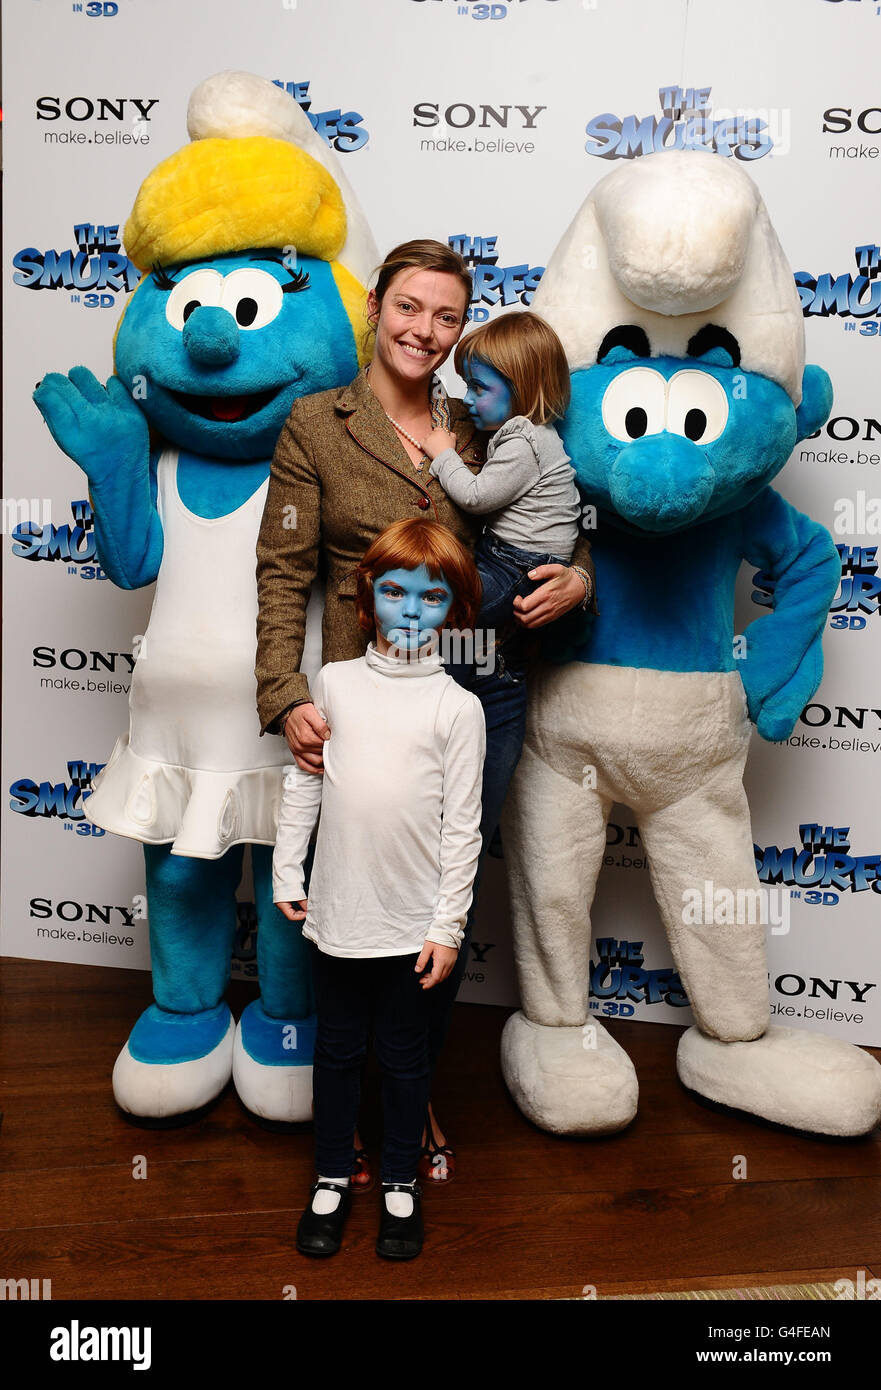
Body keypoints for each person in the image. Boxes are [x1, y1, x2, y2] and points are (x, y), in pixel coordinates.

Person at [256, 239, 598, 1183]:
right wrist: (284, 694)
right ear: (375, 306)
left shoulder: (483, 414)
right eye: (410, 308)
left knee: (440, 893)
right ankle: (352, 1101)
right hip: (360, 695)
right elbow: (283, 570)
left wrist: (578, 578)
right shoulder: (315, 424)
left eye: (446, 316)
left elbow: (561, 507)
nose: (426, 330)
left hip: (479, 686)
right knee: (354, 894)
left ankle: (410, 1091)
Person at [273, 519, 485, 1259]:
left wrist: (447, 928)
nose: (409, 610)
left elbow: (464, 830)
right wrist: (285, 871)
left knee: (403, 1059)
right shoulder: (331, 683)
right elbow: (305, 785)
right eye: (393, 592)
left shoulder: (459, 709)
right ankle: (331, 1175)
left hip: (411, 926)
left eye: (430, 598)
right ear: (367, 598)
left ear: (455, 612)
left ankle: (399, 1181)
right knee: (333, 1053)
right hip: (339, 914)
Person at [422, 309, 583, 751]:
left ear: (522, 388)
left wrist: (442, 453)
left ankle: (440, 705)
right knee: (455, 630)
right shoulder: (529, 434)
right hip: (512, 559)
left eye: (480, 388)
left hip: (519, 566)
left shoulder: (523, 439)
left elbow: (476, 496)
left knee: (447, 617)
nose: (469, 399)